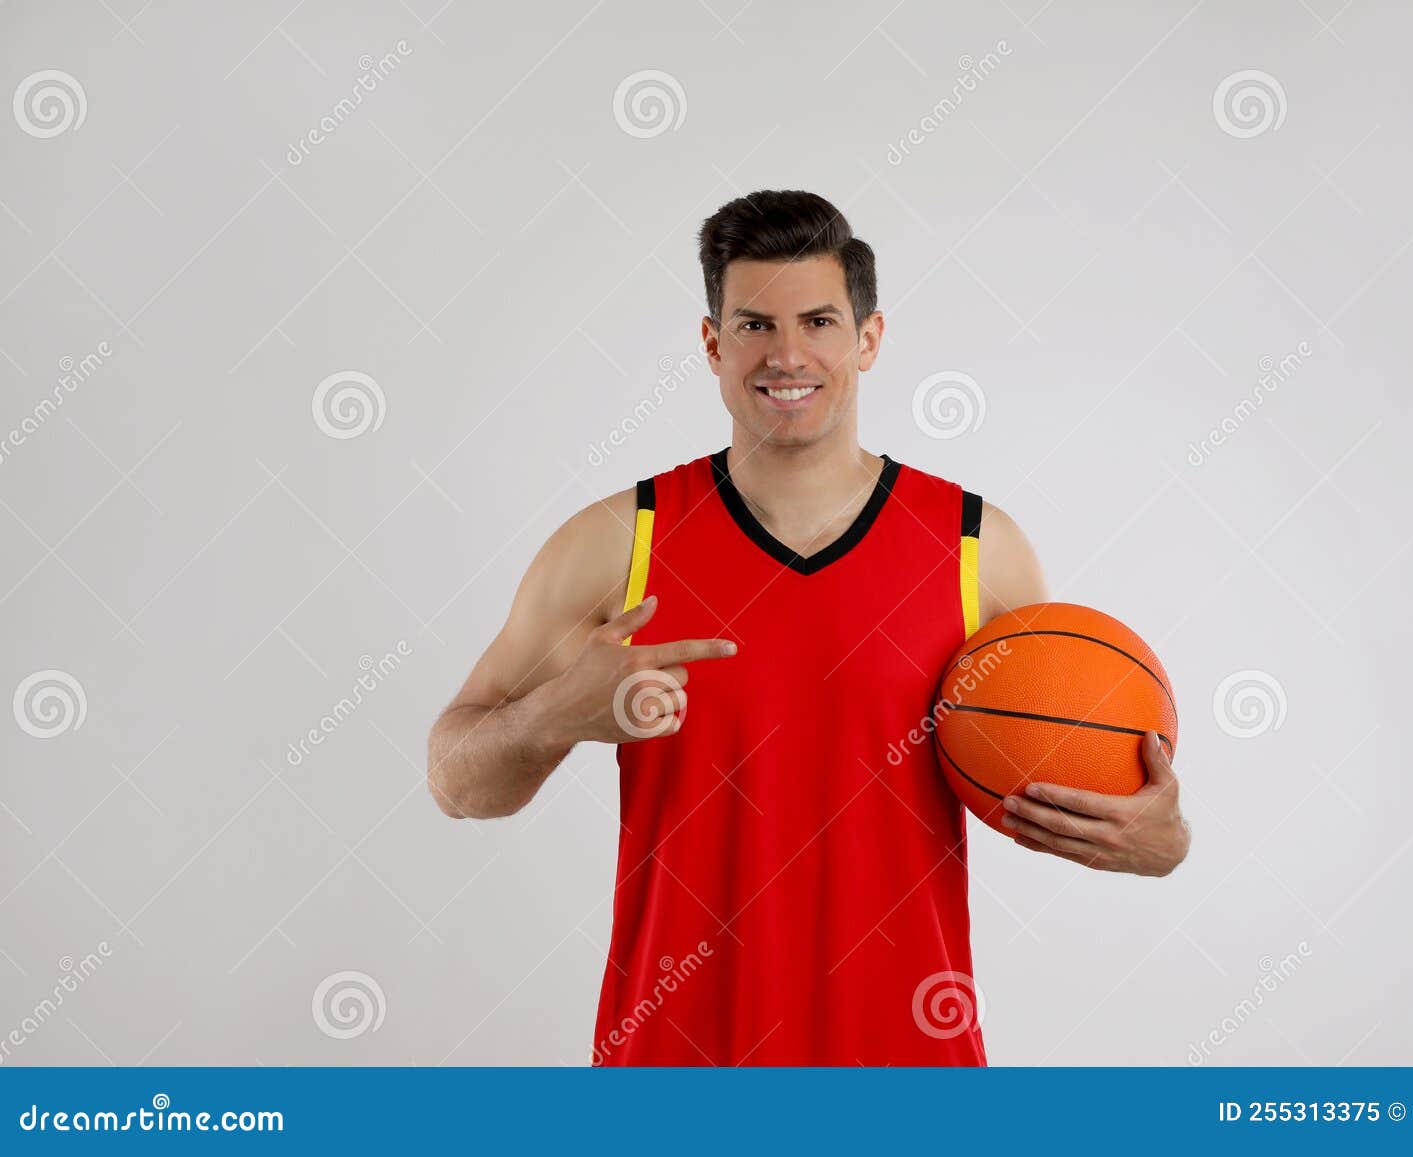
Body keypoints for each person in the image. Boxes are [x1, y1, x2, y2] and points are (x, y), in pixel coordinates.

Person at [426, 189, 1190, 1065]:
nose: (787, 354)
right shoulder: (617, 544)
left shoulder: (978, 548)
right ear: (711, 345)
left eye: (819, 320)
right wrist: (561, 711)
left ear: (868, 338)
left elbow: (1064, 781)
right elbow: (456, 780)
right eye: (753, 325)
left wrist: (1159, 838)